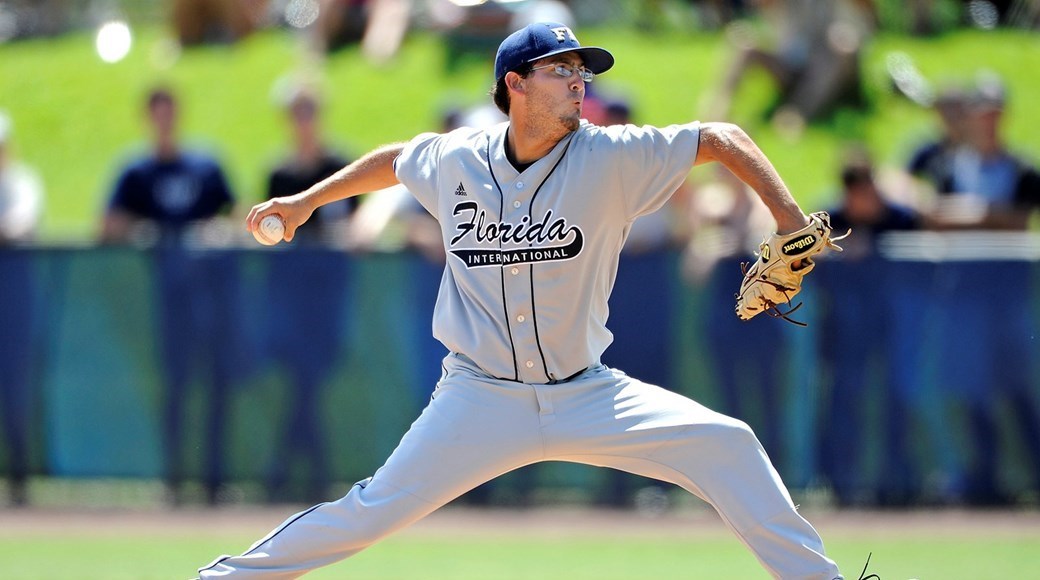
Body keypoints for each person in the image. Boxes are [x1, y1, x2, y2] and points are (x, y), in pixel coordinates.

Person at [200, 22, 845, 578]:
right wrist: (306, 200)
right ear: (515, 83)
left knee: (728, 444)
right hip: (480, 398)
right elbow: (398, 160)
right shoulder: (456, 159)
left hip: (588, 393)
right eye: (561, 69)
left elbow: (721, 137)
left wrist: (789, 221)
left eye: (582, 70)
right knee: (369, 510)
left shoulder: (612, 155)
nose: (578, 81)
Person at [101, 87, 238, 506]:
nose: (164, 121)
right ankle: (174, 479)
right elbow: (108, 226)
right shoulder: (136, 172)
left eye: (169, 113)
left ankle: (215, 480)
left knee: (218, 385)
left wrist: (213, 233)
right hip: (164, 303)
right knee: (174, 387)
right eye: (156, 114)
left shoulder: (205, 166)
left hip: (212, 300)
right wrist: (146, 233)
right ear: (147, 118)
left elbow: (236, 217)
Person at [262, 86, 357, 503]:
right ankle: (304, 471)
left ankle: (285, 469)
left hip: (329, 301)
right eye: (296, 113)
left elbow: (359, 223)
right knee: (302, 385)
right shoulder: (280, 174)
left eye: (309, 111)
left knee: (309, 385)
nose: (303, 120)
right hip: (290, 303)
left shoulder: (338, 166)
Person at [814, 149, 923, 507]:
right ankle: (841, 482)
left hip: (893, 331)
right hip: (844, 334)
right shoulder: (829, 219)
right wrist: (839, 251)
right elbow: (802, 256)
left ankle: (898, 481)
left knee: (897, 403)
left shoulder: (900, 219)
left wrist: (874, 247)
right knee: (844, 404)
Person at [0, 110, 44, 506]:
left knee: (14, 390)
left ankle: (18, 481)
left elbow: (19, 224)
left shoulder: (19, 182)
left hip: (11, 304)